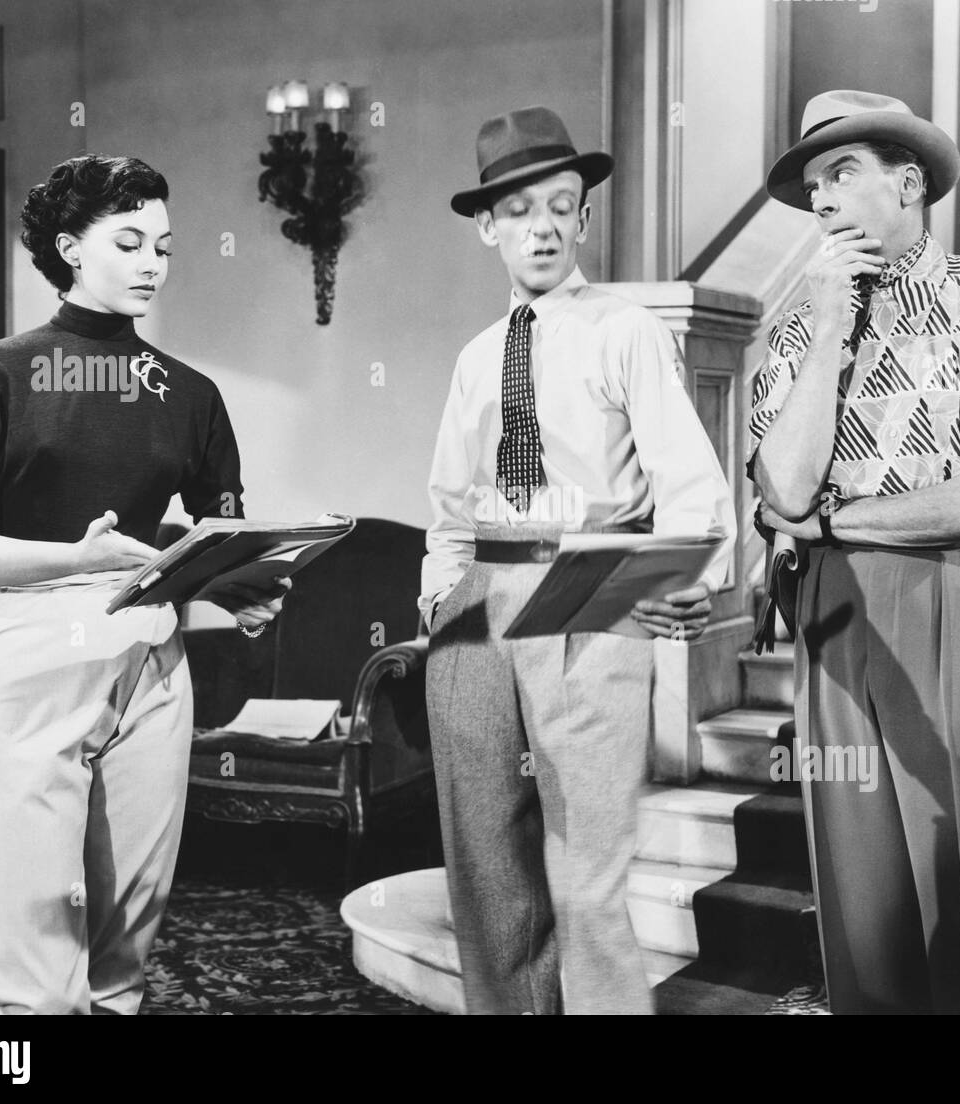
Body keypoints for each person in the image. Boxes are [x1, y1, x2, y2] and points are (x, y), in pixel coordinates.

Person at [0, 155, 288, 1014]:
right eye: (129, 242)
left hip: (151, 654)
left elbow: (212, 535)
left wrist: (233, 583)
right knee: (36, 949)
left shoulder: (190, 394)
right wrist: (76, 559)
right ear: (69, 249)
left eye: (163, 244)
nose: (153, 262)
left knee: (127, 935)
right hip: (32, 652)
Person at [749, 90, 960, 1013]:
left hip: (957, 598)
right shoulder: (799, 326)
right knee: (861, 893)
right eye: (813, 182)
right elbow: (781, 492)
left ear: (908, 182)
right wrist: (823, 337)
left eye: (842, 174)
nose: (820, 200)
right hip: (831, 610)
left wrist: (830, 519)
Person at [422, 106, 736, 1015]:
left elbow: (692, 484)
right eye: (520, 210)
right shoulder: (478, 358)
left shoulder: (625, 330)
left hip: (590, 593)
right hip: (478, 606)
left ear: (586, 219)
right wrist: (442, 594)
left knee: (587, 877)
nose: (545, 227)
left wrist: (688, 586)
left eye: (563, 206)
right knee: (486, 865)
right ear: (488, 227)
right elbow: (447, 504)